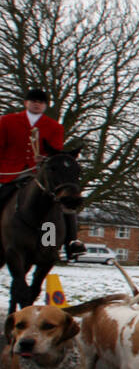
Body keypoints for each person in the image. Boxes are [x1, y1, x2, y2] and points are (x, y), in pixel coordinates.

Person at [0, 87, 85, 259]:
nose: (37, 105)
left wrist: (45, 157)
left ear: (45, 106)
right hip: (10, 171)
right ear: (26, 103)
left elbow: (57, 151)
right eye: (33, 101)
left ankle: (70, 242)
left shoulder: (55, 127)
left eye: (40, 102)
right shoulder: (7, 121)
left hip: (41, 174)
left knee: (64, 203)